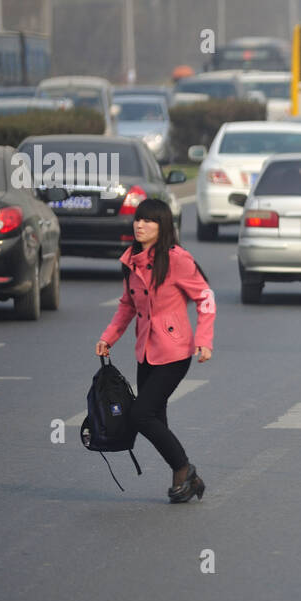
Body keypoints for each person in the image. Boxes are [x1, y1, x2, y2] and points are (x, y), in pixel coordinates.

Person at [96, 198, 215, 503]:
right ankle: (189, 478)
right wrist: (109, 337)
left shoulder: (177, 260)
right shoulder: (131, 261)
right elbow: (127, 306)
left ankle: (184, 469)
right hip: (146, 352)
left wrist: (204, 339)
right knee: (156, 421)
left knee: (141, 415)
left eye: (149, 220)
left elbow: (205, 297)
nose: (140, 225)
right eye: (138, 219)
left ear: (163, 227)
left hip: (174, 352)